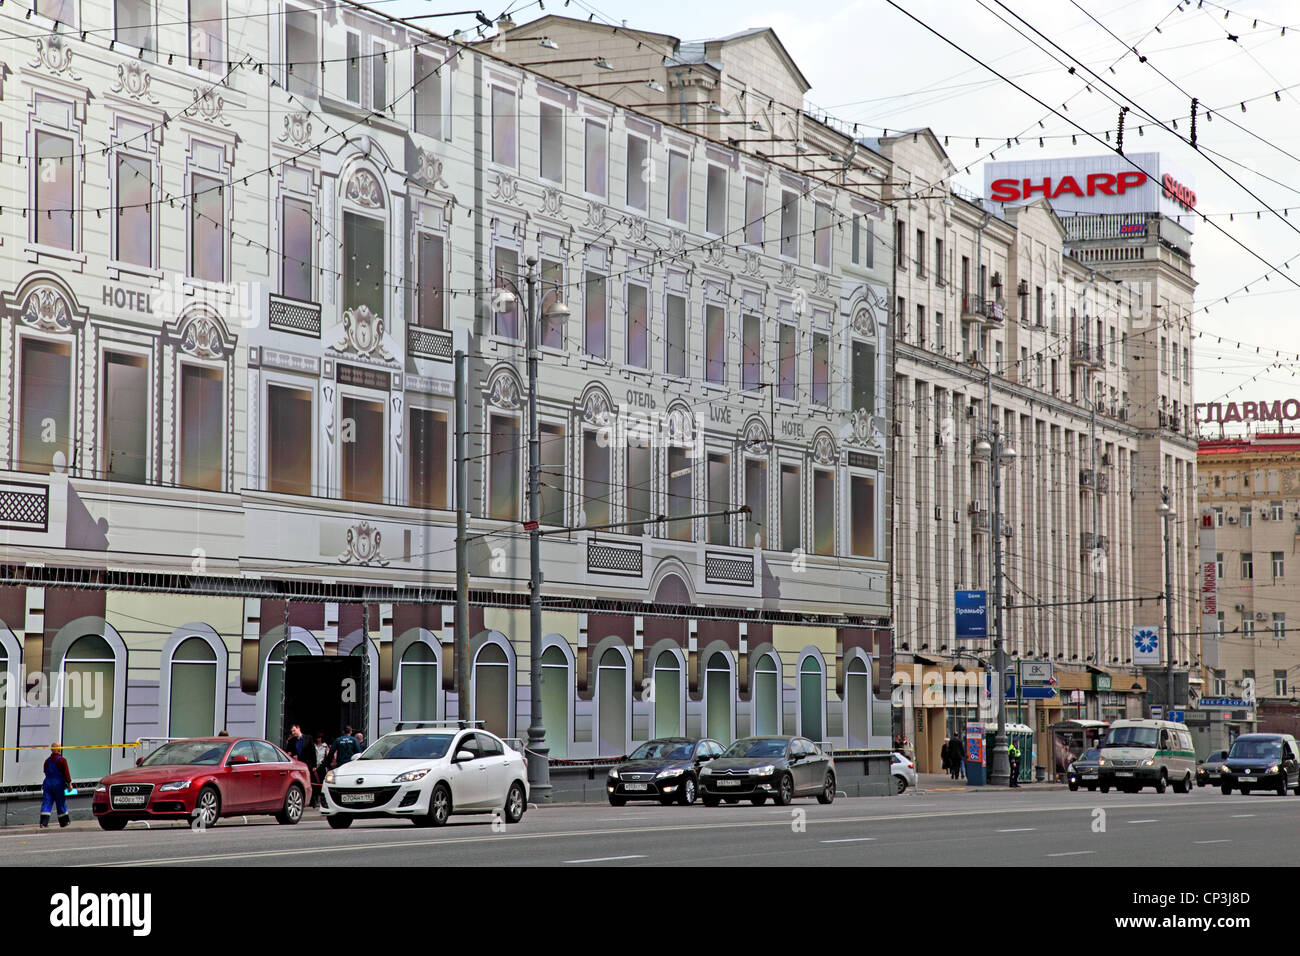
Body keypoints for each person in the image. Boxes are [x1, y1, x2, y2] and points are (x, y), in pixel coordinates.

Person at [40, 743, 73, 829]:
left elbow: (45, 771)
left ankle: (43, 823)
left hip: (47, 784)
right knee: (60, 802)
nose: (60, 749)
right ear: (58, 749)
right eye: (59, 747)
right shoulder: (62, 760)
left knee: (47, 803)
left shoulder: (47, 761)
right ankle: (64, 822)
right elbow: (66, 774)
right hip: (58, 784)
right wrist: (69, 784)